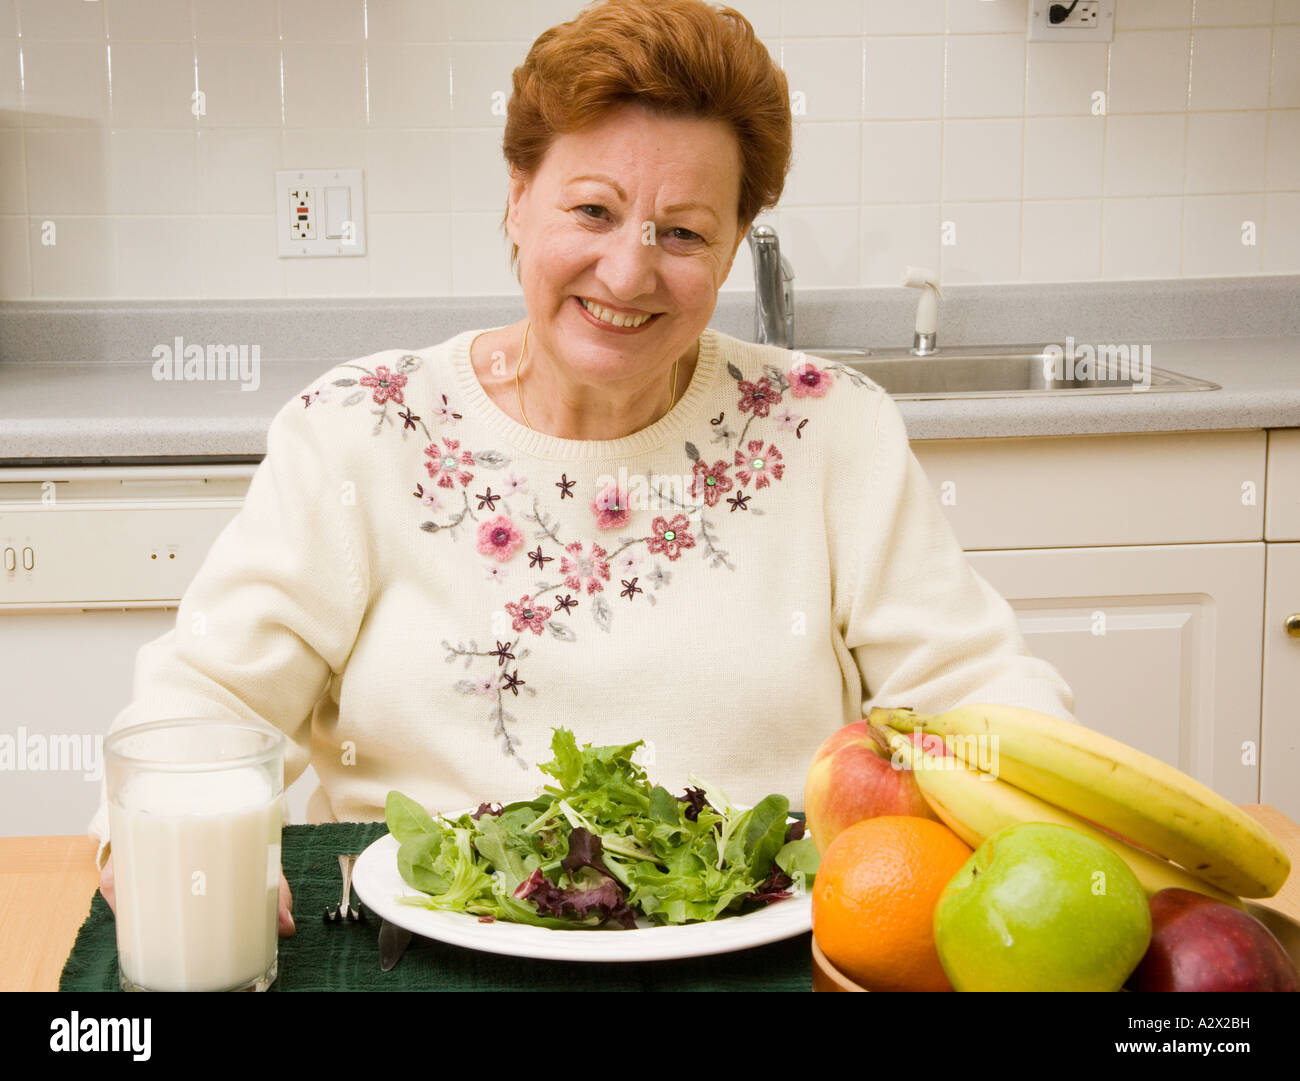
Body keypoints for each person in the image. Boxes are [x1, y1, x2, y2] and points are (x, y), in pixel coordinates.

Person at [92, 0, 1075, 936]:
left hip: (759, 947)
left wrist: (1052, 832)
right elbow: (204, 702)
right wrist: (167, 844)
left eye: (683, 232)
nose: (627, 271)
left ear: (733, 245)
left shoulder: (832, 427)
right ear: (518, 201)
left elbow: (975, 687)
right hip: (419, 947)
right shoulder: (357, 429)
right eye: (593, 210)